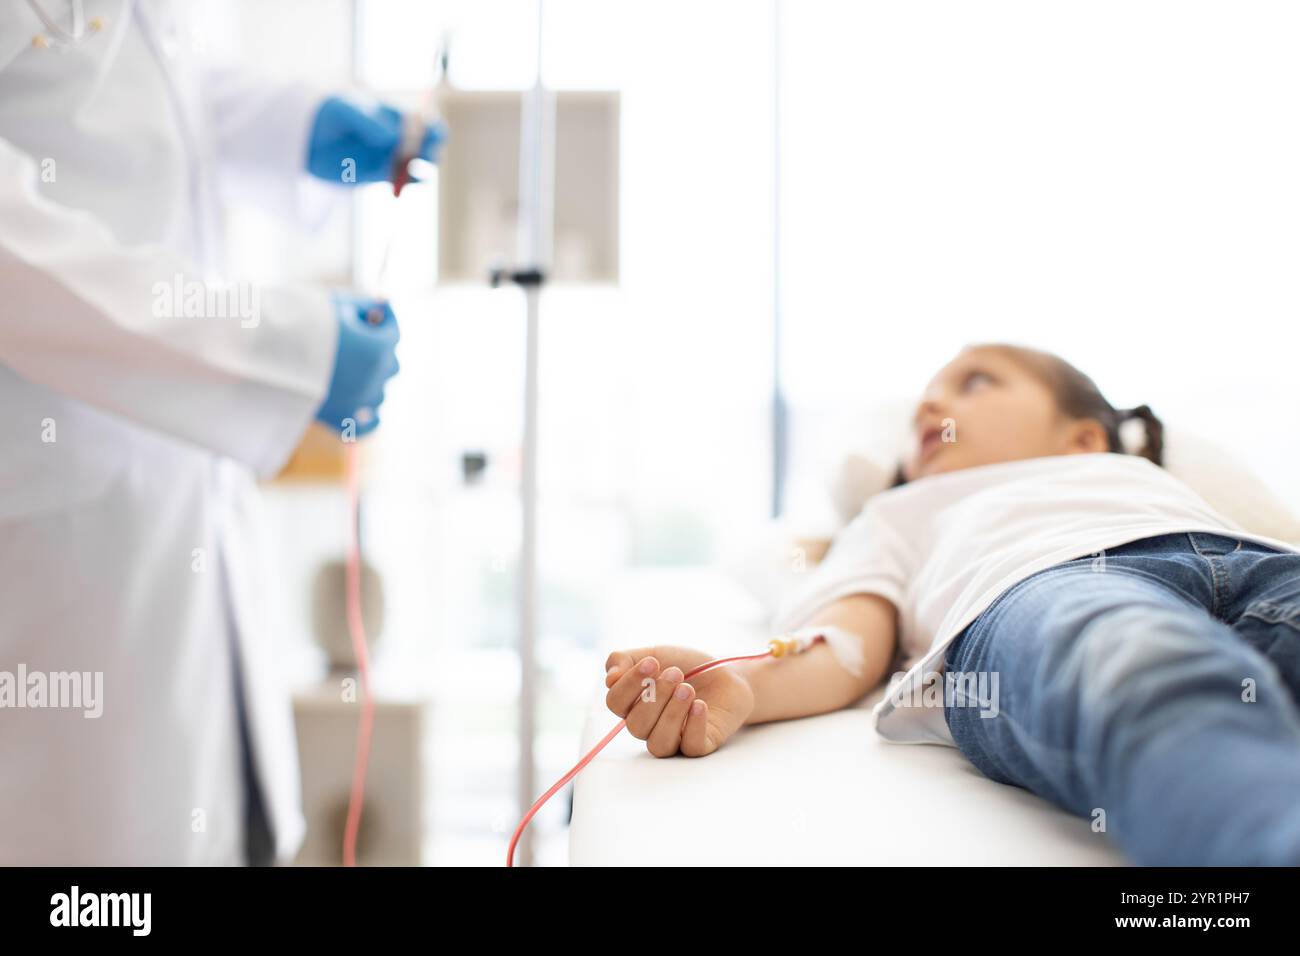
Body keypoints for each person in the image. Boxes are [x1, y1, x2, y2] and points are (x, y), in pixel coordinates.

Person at [0, 1, 443, 864]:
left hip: (172, 492)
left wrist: (292, 127)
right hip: (59, 514)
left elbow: (132, 81)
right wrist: (272, 348)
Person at [602, 342, 1300, 865]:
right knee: (1147, 673)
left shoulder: (1134, 475)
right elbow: (846, 643)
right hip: (1039, 585)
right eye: (921, 409)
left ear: (1083, 437)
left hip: (1258, 563)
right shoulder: (900, 512)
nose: (934, 408)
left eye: (975, 382)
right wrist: (746, 685)